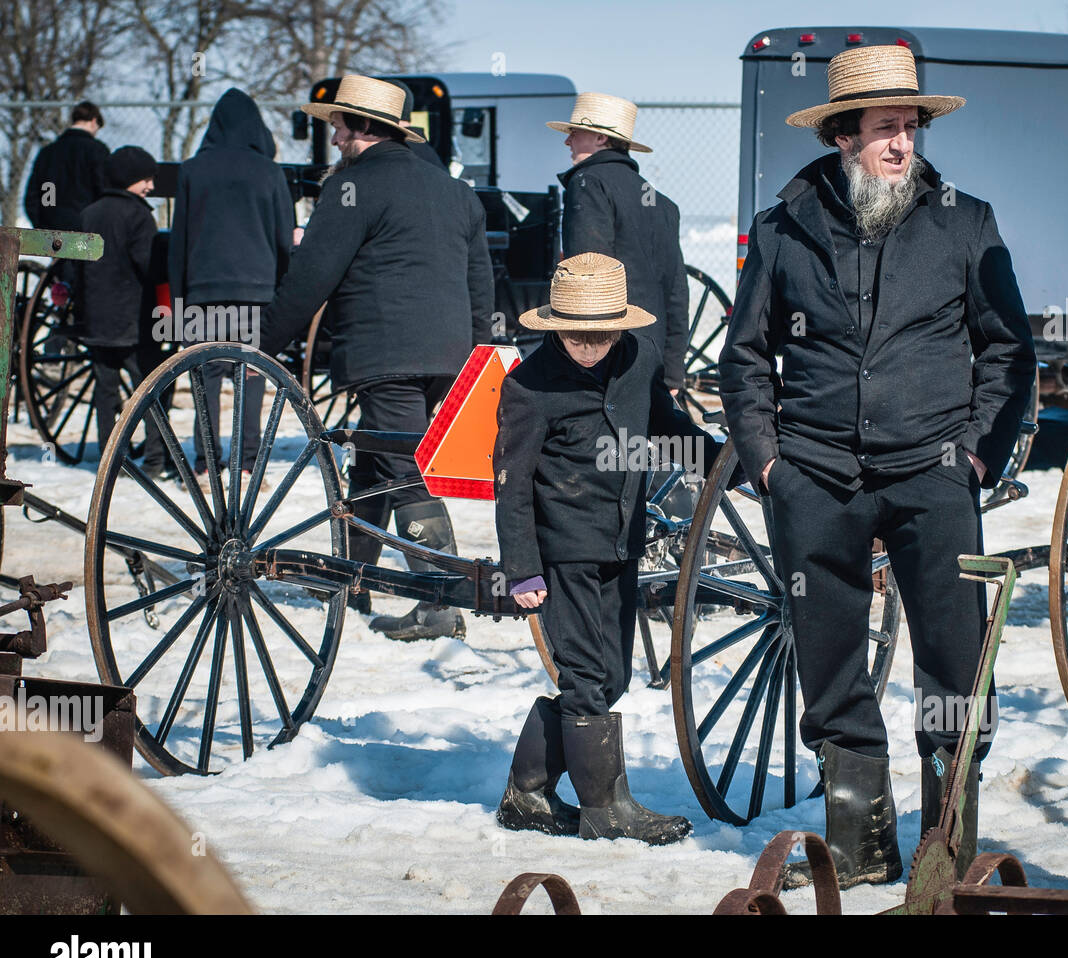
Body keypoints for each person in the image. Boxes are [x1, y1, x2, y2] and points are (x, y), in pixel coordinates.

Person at [719, 43, 1036, 889]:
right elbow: (743, 357)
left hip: (934, 473)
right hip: (816, 477)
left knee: (954, 667)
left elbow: (1009, 350)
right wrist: (770, 465)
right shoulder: (784, 228)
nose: (903, 143)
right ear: (843, 137)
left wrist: (975, 455)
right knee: (829, 669)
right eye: (885, 128)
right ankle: (859, 848)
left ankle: (946, 853)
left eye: (911, 127)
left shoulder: (965, 222)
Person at [494, 253, 721, 844]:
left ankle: (526, 793)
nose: (589, 348)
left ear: (621, 327)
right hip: (563, 551)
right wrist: (521, 568)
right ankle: (605, 808)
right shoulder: (529, 385)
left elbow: (666, 425)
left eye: (601, 336)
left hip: (621, 544)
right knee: (585, 674)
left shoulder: (639, 359)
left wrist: (721, 460)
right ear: (555, 327)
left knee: (611, 676)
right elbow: (512, 483)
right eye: (576, 337)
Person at [259, 75, 494, 641]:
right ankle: (352, 577)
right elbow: (481, 285)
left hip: (387, 350)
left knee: (405, 467)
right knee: (374, 456)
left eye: (340, 125)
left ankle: (440, 600)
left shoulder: (352, 187)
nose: (334, 137)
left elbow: (310, 278)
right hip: (449, 355)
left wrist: (260, 343)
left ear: (365, 126)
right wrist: (476, 358)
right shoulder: (456, 192)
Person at [169, 88, 295, 481]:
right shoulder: (270, 172)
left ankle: (206, 463)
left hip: (204, 292)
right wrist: (283, 290)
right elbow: (284, 238)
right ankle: (247, 462)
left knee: (205, 380)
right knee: (250, 378)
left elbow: (179, 242)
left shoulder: (192, 170)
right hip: (257, 293)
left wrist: (178, 302)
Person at [548, 93, 690, 394]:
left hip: (603, 360)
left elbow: (587, 278)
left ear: (600, 138)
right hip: (651, 358)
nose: (567, 141)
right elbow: (676, 290)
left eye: (575, 132)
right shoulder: (663, 204)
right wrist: (673, 372)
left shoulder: (587, 183)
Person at [77, 146, 168, 473]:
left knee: (106, 392)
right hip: (135, 321)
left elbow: (76, 268)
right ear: (130, 179)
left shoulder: (89, 213)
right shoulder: (139, 216)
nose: (151, 186)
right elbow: (150, 266)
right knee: (150, 390)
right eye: (146, 179)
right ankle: (155, 459)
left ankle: (110, 459)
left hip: (98, 321)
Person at [24, 101, 110, 232]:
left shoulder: (47, 152)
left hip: (50, 229)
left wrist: (41, 224)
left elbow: (33, 196)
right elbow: (104, 190)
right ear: (94, 121)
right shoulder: (97, 151)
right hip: (86, 229)